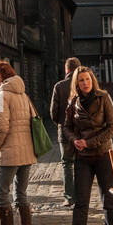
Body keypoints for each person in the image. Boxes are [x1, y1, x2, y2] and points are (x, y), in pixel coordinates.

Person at [62, 66, 113, 225]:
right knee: (81, 203)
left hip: (103, 154)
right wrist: (74, 140)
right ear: (76, 83)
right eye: (81, 80)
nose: (85, 83)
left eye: (87, 79)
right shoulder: (73, 102)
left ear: (92, 80)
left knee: (108, 199)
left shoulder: (104, 98)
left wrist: (90, 142)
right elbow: (67, 128)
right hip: (83, 158)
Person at [0, 59, 37, 225]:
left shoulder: (2, 95)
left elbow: (2, 127)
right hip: (26, 151)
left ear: (4, 76)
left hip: (10, 152)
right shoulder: (23, 94)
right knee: (21, 195)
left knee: (1, 194)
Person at [49, 56, 82, 208]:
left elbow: (53, 112)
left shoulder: (59, 86)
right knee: (81, 163)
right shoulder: (84, 84)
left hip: (64, 131)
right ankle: (82, 195)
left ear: (66, 70)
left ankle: (69, 197)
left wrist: (60, 123)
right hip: (82, 131)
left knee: (67, 163)